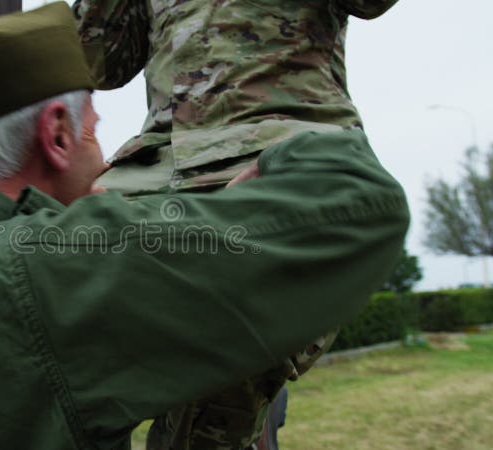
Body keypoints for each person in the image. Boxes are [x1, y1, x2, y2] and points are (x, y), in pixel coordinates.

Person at [0, 2, 409, 449]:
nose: (102, 140)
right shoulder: (44, 275)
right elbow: (359, 204)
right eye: (92, 127)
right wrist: (268, 171)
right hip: (267, 154)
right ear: (55, 133)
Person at [73, 0, 401, 447]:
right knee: (39, 299)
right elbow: (95, 61)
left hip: (275, 146)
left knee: (216, 399)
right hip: (154, 164)